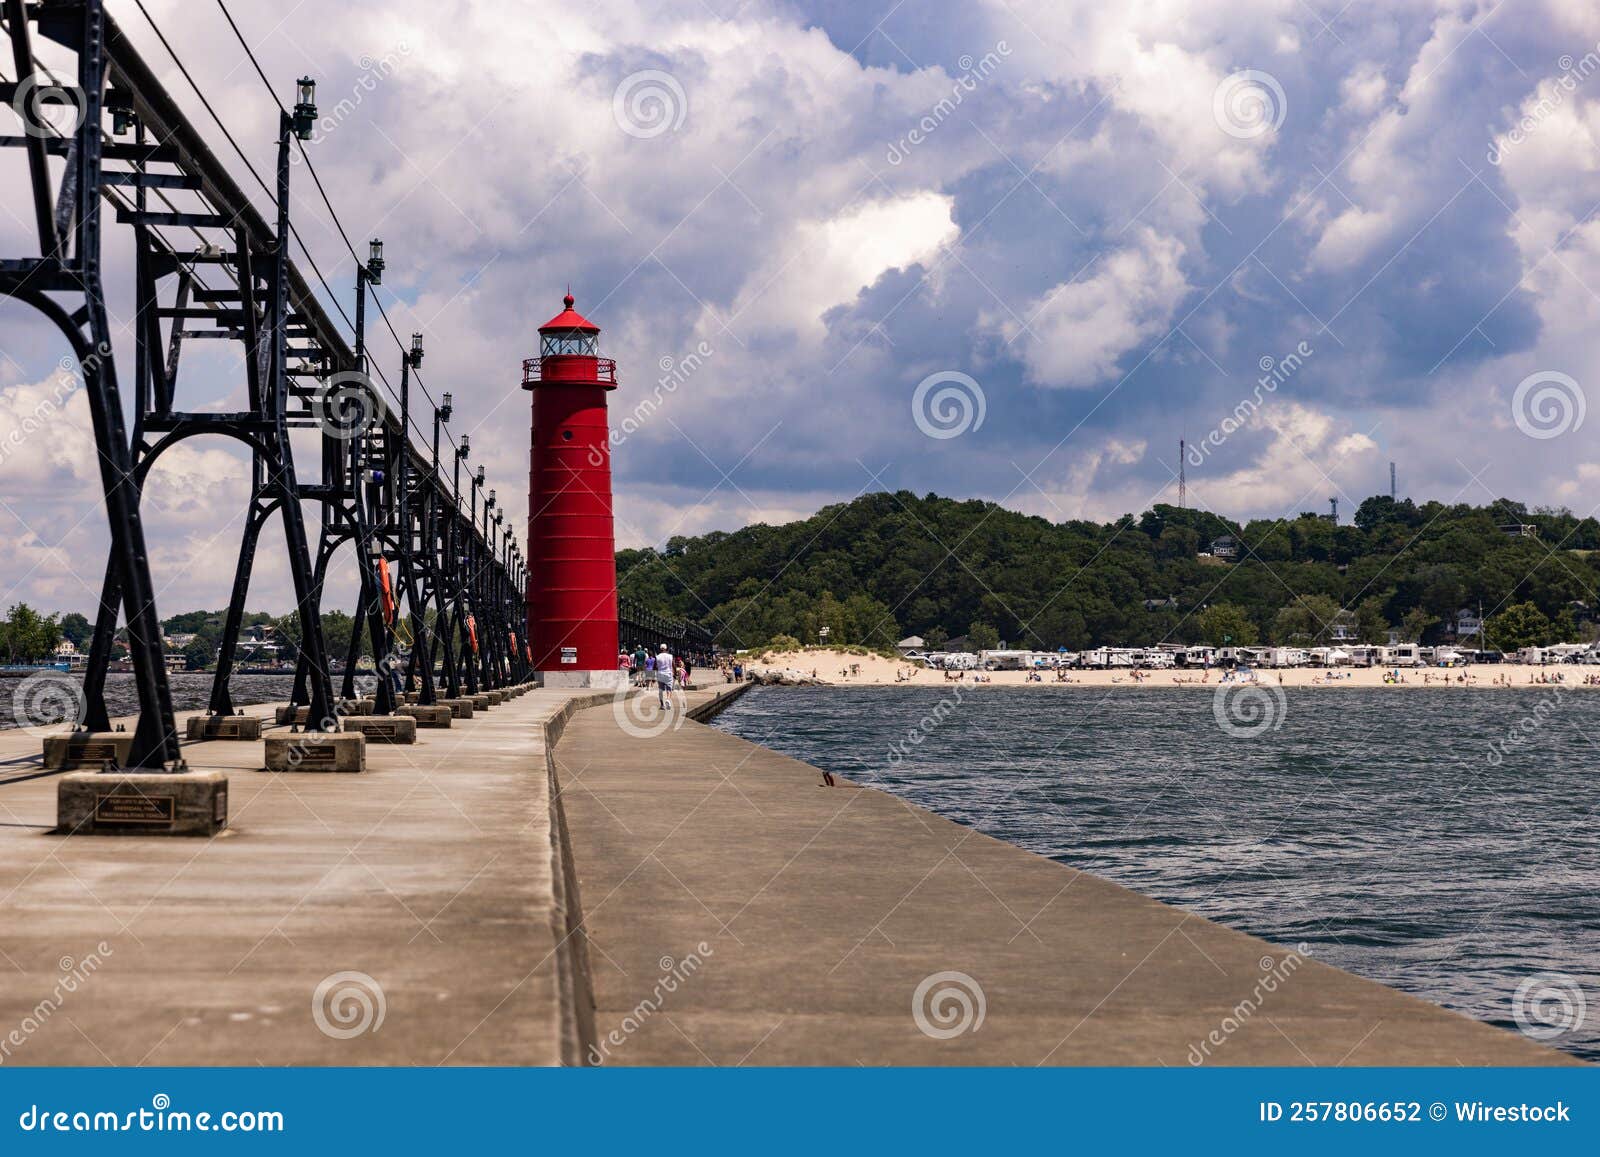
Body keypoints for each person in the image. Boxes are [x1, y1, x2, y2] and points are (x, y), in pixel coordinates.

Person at [655, 643, 675, 708]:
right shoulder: (670, 656)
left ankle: (662, 705)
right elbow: (673, 665)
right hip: (668, 674)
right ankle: (668, 699)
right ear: (666, 648)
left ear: (660, 649)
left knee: (660, 690)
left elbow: (655, 666)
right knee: (669, 689)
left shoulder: (657, 656)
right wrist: (675, 672)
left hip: (660, 674)